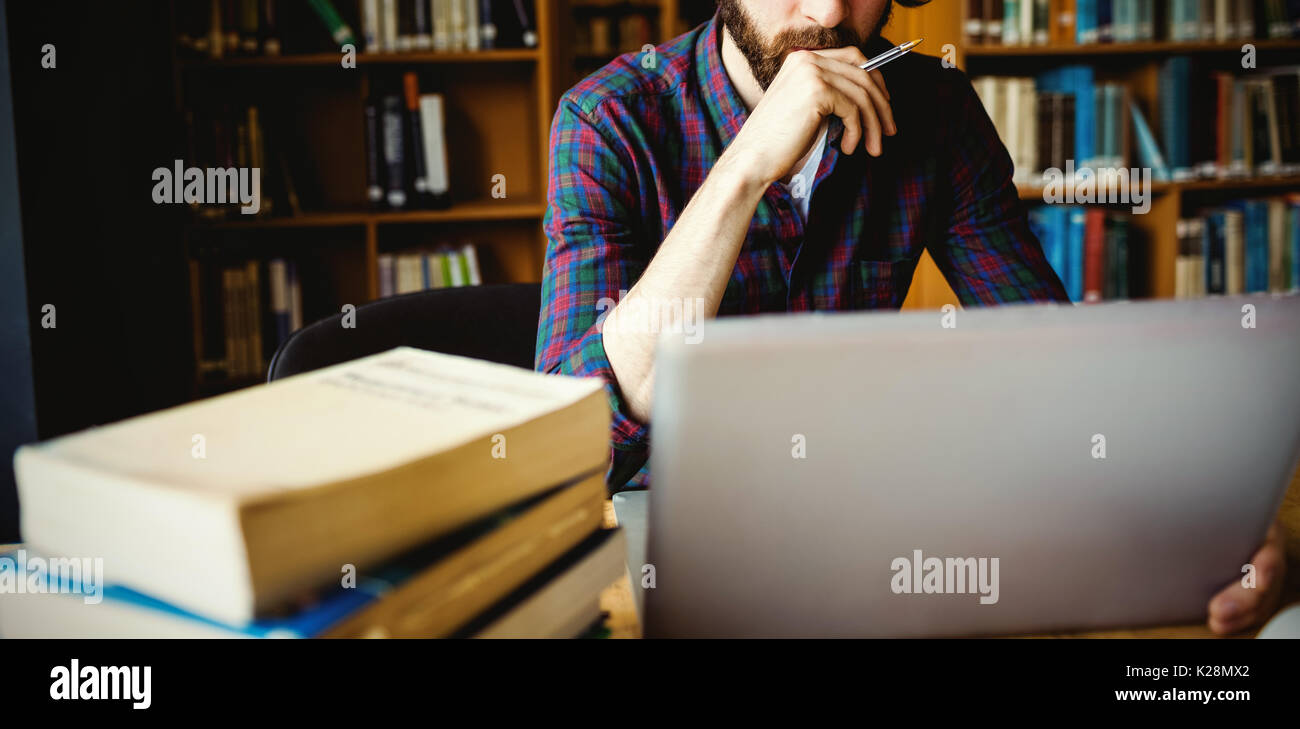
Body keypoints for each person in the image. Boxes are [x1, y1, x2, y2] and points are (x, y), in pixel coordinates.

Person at [534, 0, 1284, 634]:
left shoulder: (935, 108)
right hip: (663, 540)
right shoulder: (607, 120)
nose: (829, 14)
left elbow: (1057, 365)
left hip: (864, 541)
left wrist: (1213, 517)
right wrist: (745, 166)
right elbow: (571, 447)